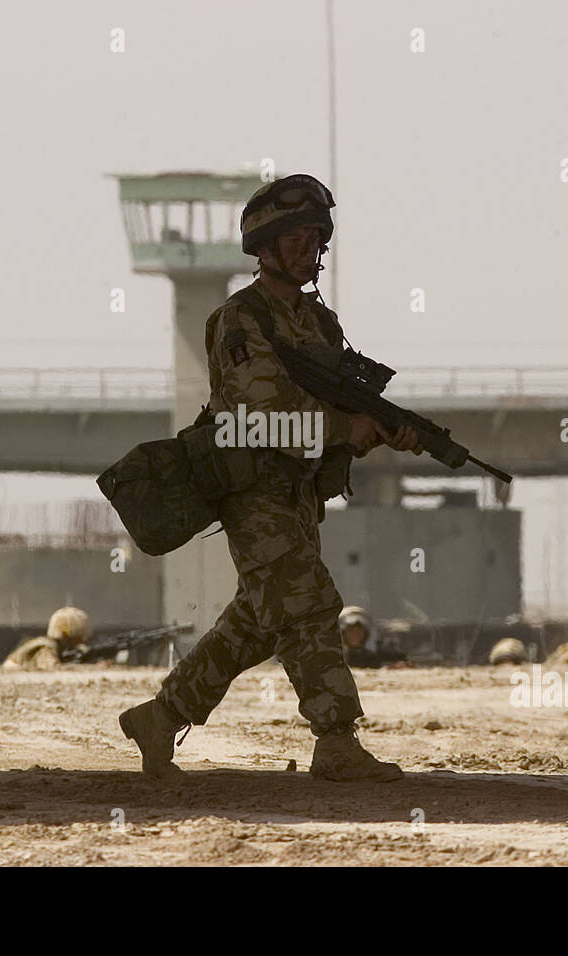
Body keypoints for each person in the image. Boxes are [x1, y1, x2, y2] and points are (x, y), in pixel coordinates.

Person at [119, 174, 424, 783]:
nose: (306, 248)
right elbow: (261, 420)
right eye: (293, 238)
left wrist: (383, 431)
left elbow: (332, 417)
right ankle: (336, 738)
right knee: (308, 600)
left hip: (300, 492)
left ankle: (162, 715)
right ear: (264, 246)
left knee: (261, 620)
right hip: (252, 486)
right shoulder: (238, 322)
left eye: (314, 236)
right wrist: (346, 428)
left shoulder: (322, 325)